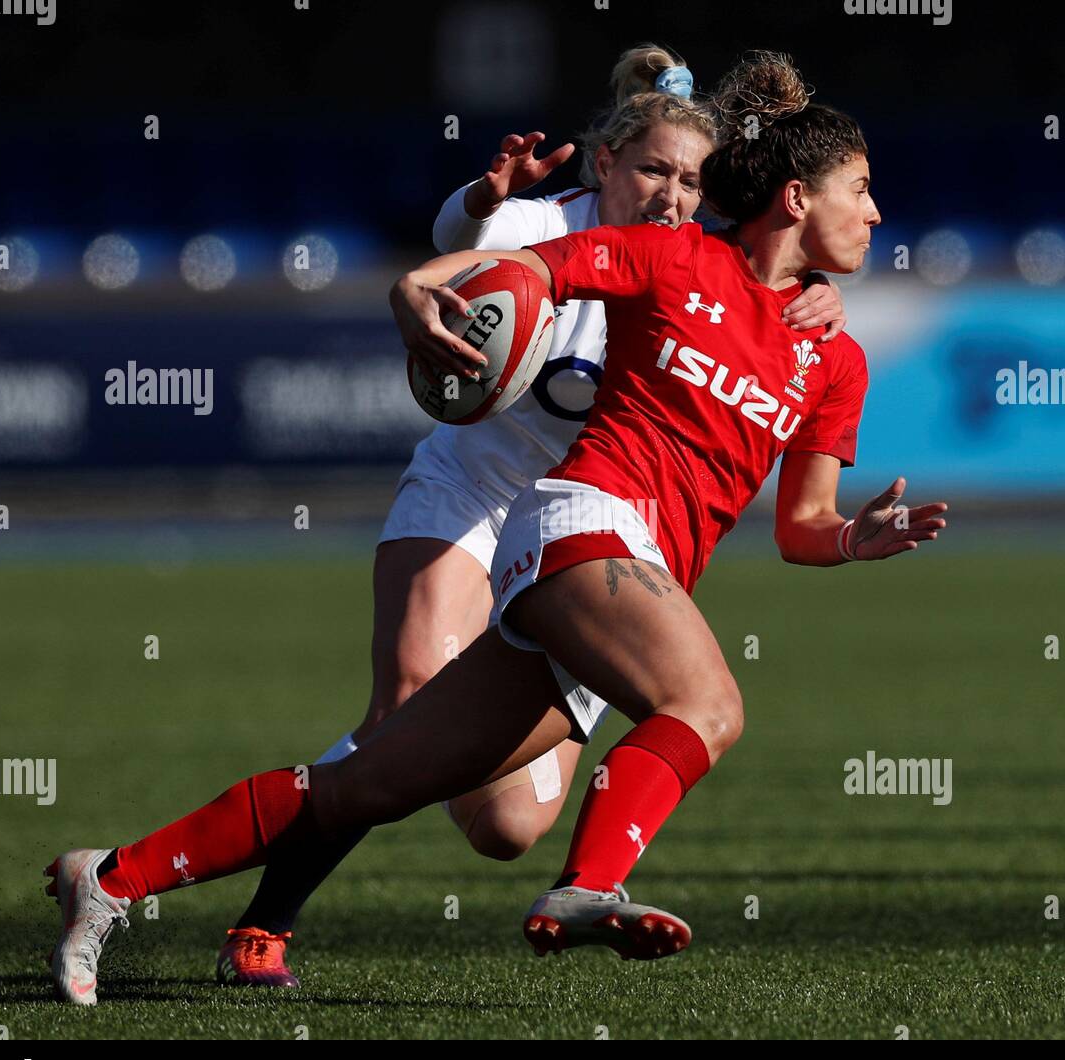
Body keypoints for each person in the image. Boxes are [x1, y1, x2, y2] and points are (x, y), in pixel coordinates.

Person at [46, 51, 946, 1004]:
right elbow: (519, 265)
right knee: (709, 706)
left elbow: (801, 526)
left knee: (379, 786)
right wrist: (421, 284)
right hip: (575, 519)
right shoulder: (675, 257)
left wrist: (855, 537)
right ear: (798, 197)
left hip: (621, 574)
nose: (879, 213)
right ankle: (592, 887)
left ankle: (107, 880)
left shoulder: (835, 358)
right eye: (864, 189)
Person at [215, 44, 845, 989]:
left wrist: (822, 295)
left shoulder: (696, 259)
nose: (673, 195)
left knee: (507, 827)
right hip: (476, 492)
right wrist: (471, 212)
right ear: (604, 164)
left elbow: (776, 266)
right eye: (652, 171)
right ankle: (264, 924)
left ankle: (396, 771)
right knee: (403, 706)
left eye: (691, 181)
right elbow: (456, 242)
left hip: (590, 535)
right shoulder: (543, 223)